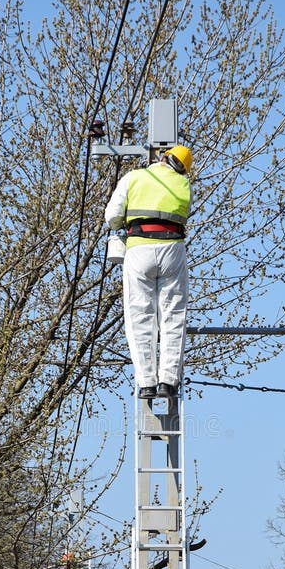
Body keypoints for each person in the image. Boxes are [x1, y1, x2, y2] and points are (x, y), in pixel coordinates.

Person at [104, 145, 192, 399]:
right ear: (183, 169)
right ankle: (168, 381)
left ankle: (146, 383)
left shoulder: (134, 178)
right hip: (172, 250)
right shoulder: (184, 185)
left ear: (162, 157)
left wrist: (124, 222)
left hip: (139, 249)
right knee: (173, 317)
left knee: (140, 316)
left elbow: (112, 217)